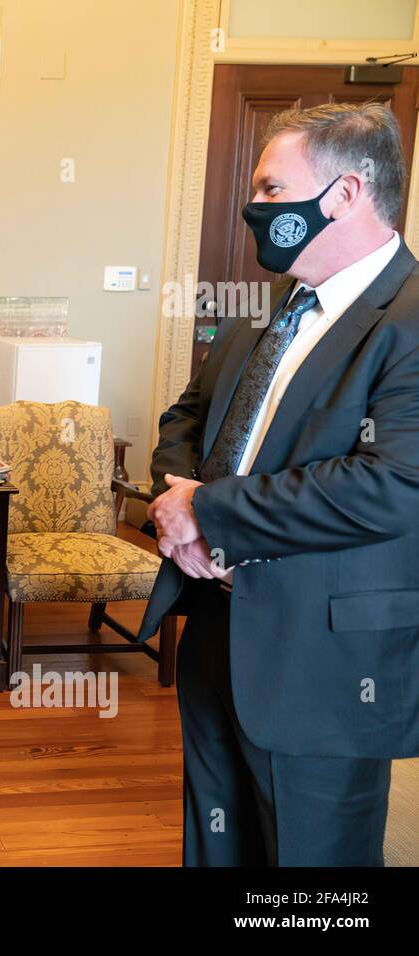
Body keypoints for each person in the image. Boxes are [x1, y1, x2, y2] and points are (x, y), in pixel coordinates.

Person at [140, 103, 419, 866]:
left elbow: (393, 483)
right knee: (217, 845)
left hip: (323, 669)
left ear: (347, 195)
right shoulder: (263, 305)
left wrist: (210, 513)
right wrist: (178, 507)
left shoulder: (412, 318)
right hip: (216, 635)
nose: (253, 208)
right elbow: (187, 414)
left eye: (270, 189)